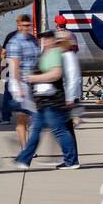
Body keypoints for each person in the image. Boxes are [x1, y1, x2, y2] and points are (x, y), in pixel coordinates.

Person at [14, 30, 80, 170]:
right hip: (44, 101)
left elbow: (65, 76)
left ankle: (71, 161)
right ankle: (23, 159)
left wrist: (70, 98)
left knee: (60, 130)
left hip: (53, 100)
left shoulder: (63, 55)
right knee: (39, 130)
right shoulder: (49, 54)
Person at [5, 14, 40, 141]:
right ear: (19, 26)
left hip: (33, 80)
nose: (27, 28)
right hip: (20, 81)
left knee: (33, 116)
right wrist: (19, 87)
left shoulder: (32, 40)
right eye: (24, 25)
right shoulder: (15, 42)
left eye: (29, 25)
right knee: (23, 116)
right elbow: (15, 66)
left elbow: (37, 59)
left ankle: (29, 145)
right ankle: (25, 147)